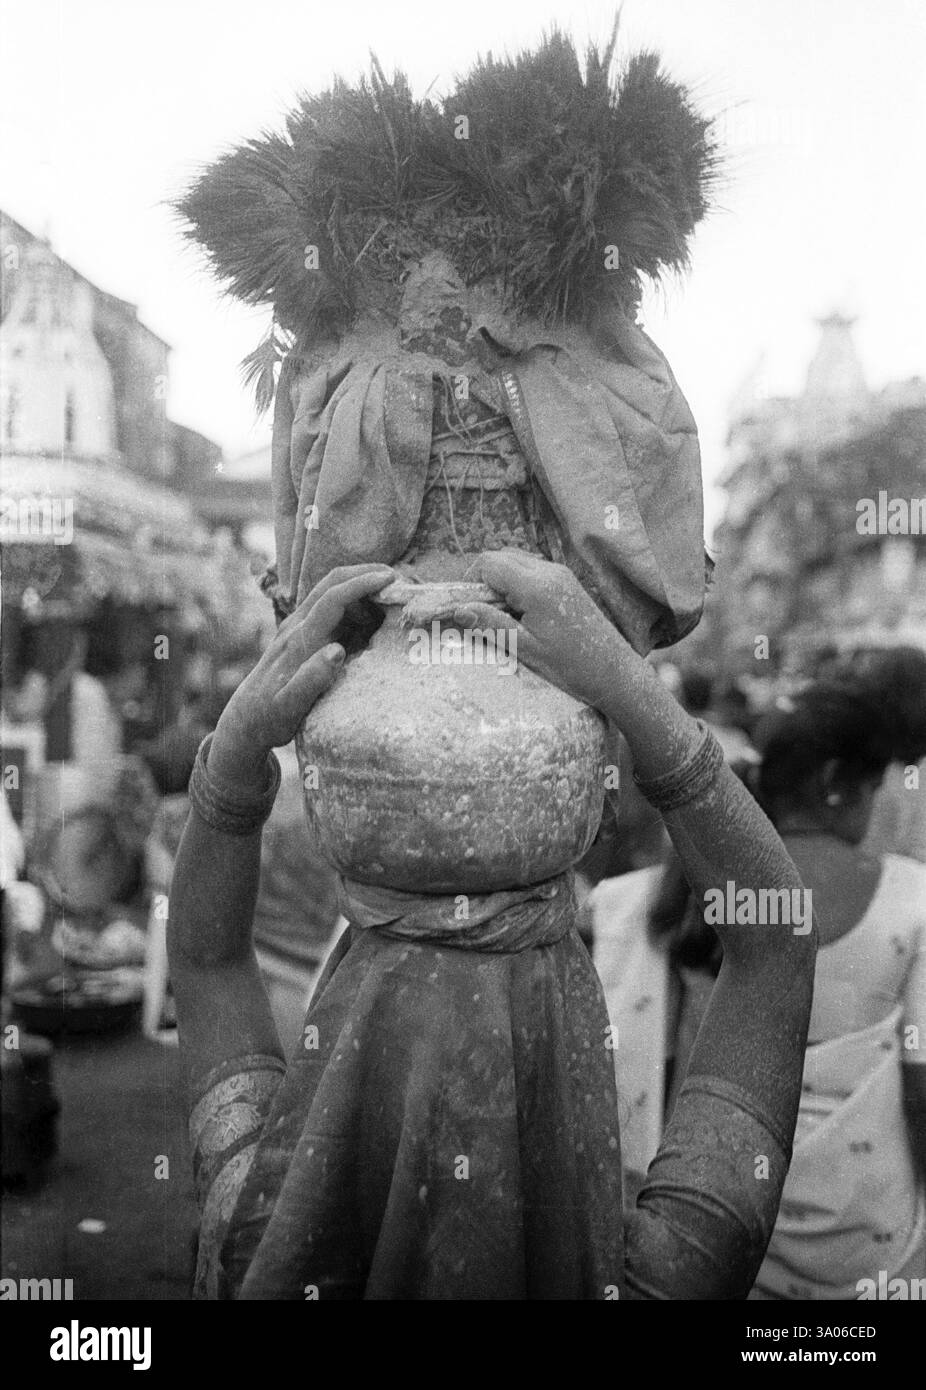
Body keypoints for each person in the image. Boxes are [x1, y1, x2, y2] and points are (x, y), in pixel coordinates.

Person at [168, 551, 818, 1300]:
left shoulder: (256, 1245)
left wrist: (238, 751)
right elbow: (777, 942)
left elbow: (205, 960)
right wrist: (627, 687)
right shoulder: (664, 1278)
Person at [747, 670, 926, 1299]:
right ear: (833, 786)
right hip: (868, 1227)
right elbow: (920, 1075)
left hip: (735, 1210)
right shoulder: (911, 897)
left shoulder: (709, 887)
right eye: (873, 792)